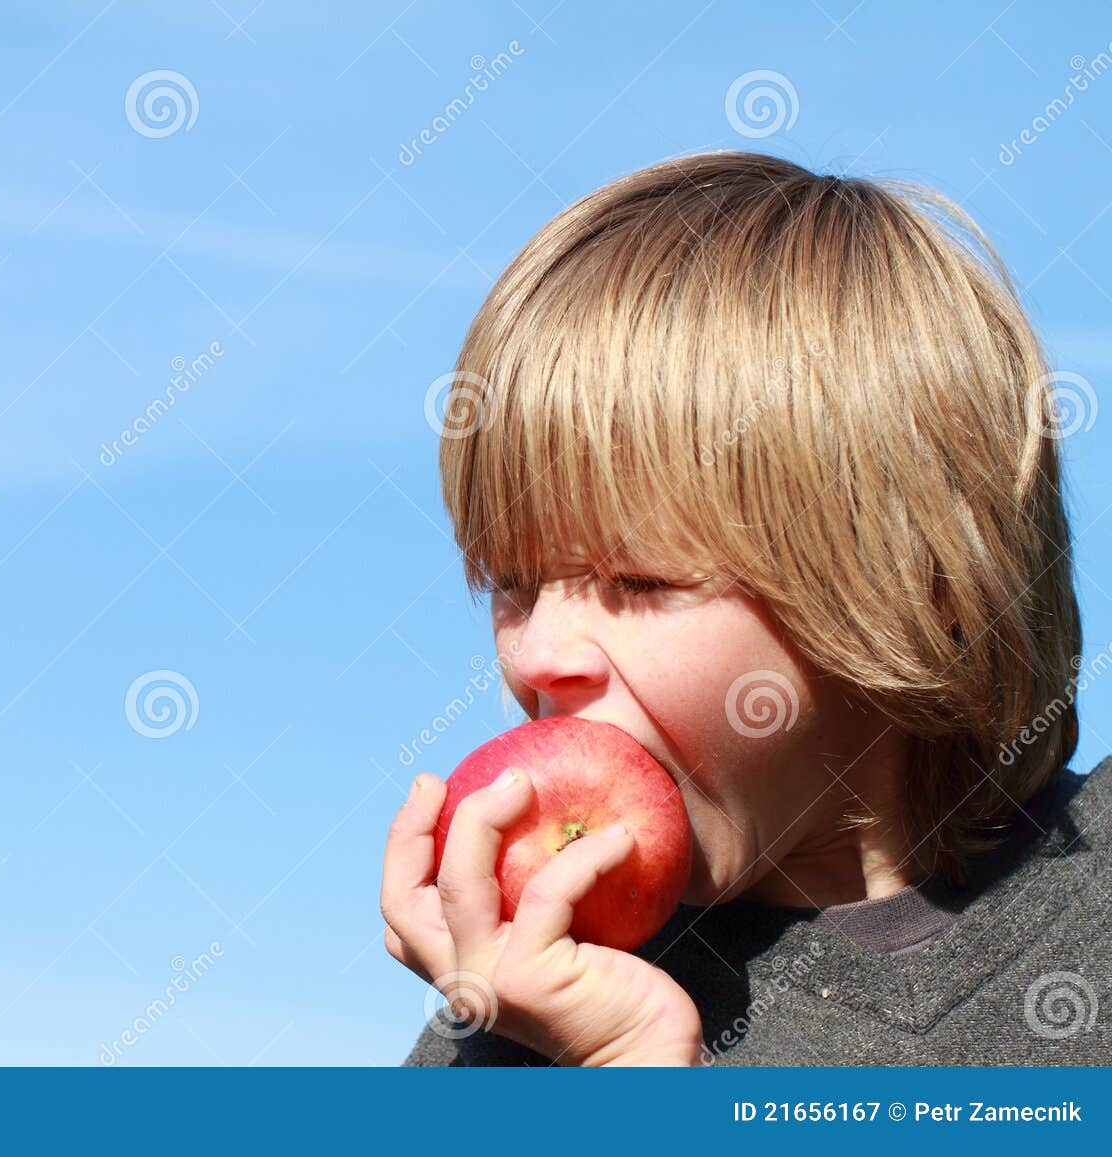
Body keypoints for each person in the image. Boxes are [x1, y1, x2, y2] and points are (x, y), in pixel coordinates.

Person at [383, 151, 1110, 1066]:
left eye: (639, 581)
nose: (534, 654)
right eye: (513, 587)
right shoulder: (529, 1024)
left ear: (922, 583)